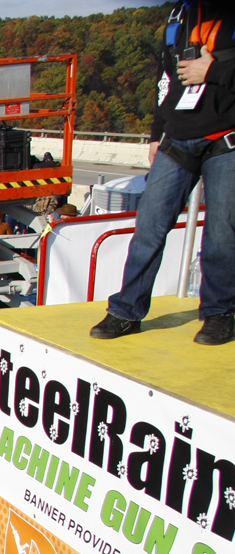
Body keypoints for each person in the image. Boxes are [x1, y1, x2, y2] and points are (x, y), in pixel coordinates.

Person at [90, 0, 235, 345]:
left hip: (226, 137)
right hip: (178, 137)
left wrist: (212, 73)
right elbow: (165, 78)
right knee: (149, 227)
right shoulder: (180, 14)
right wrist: (156, 133)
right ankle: (126, 311)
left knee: (222, 234)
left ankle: (219, 314)